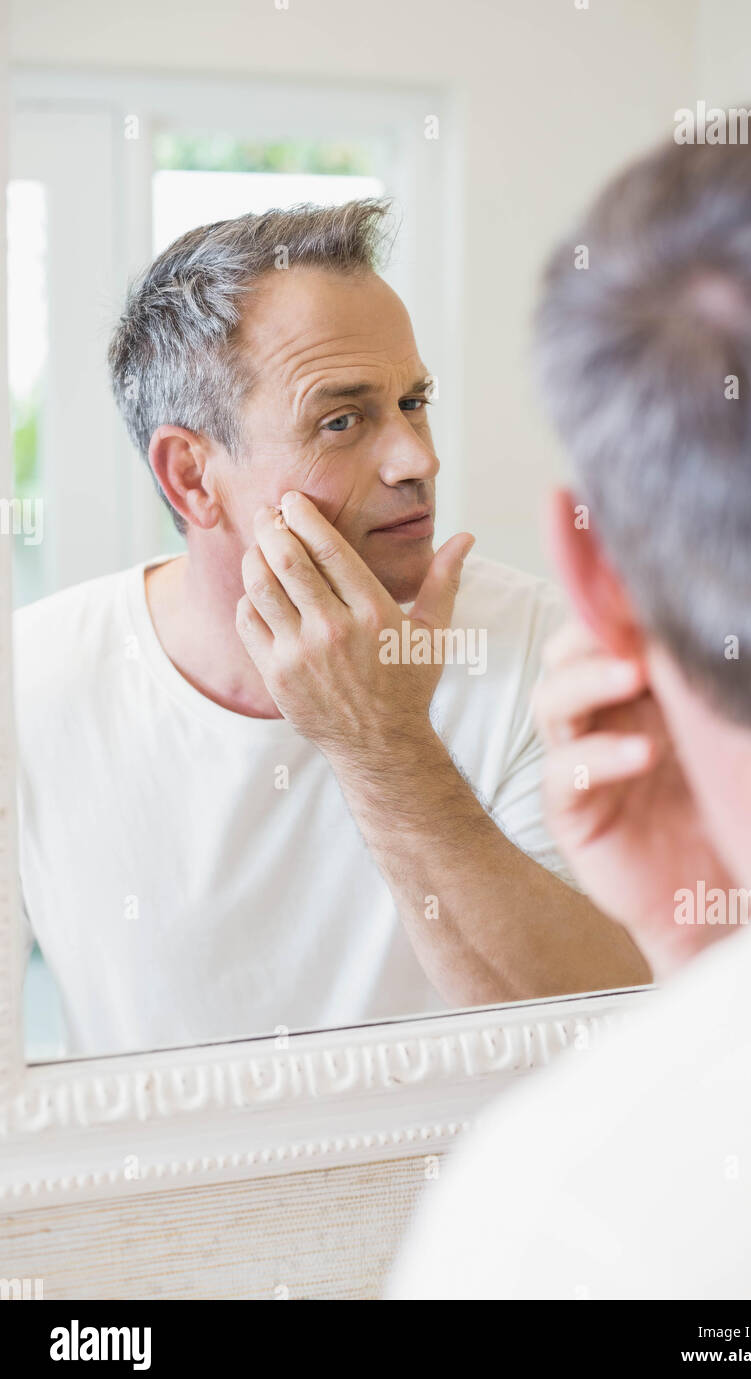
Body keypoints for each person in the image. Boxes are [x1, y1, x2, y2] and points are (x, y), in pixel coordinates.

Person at [388, 99, 751, 1300]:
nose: (408, 462)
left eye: (412, 404)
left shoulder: (564, 1221)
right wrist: (725, 957)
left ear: (591, 570)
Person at [13, 200, 648, 1056]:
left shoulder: (541, 645)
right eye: (342, 420)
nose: (416, 459)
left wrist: (381, 741)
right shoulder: (33, 684)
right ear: (192, 476)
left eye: (413, 402)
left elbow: (605, 1040)